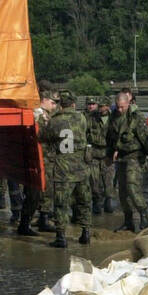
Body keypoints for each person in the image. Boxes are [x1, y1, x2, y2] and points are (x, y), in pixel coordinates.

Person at [37, 91, 91, 248]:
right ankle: (85, 233)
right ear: (73, 104)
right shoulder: (81, 118)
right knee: (84, 201)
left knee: (61, 203)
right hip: (81, 165)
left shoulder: (55, 120)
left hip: (63, 167)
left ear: (61, 104)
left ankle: (61, 237)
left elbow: (42, 137)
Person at [106, 87, 148, 231]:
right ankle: (128, 220)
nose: (120, 110)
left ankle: (144, 215)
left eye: (122, 107)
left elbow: (146, 140)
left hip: (135, 155)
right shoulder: (113, 117)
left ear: (128, 103)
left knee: (132, 187)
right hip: (121, 156)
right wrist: (109, 154)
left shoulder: (136, 117)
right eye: (118, 107)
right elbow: (110, 138)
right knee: (123, 191)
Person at [17, 90, 60, 235]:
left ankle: (42, 220)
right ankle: (25, 225)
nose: (54, 106)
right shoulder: (38, 116)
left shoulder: (44, 115)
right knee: (34, 194)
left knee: (45, 193)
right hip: (39, 160)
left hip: (45, 159)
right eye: (52, 103)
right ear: (44, 100)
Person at [84, 97, 114, 215]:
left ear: (108, 106)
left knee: (108, 179)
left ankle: (108, 200)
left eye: (102, 106)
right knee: (94, 180)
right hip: (94, 153)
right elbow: (85, 133)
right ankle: (96, 201)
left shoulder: (114, 118)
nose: (100, 108)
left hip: (108, 153)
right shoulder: (91, 118)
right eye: (99, 106)